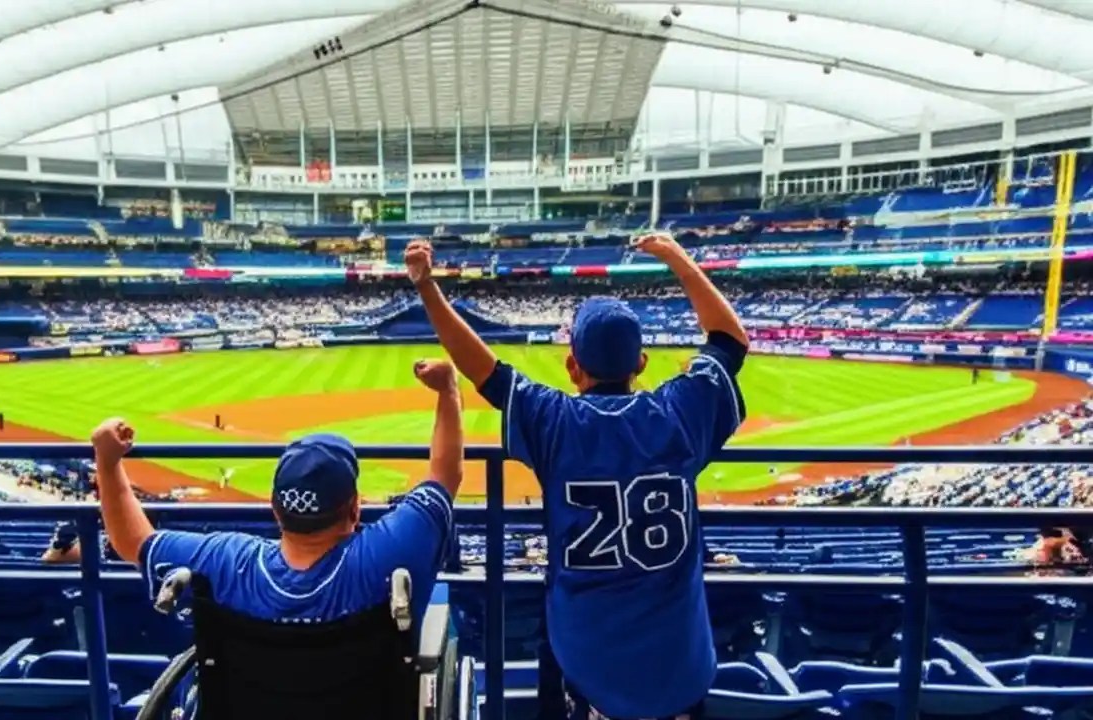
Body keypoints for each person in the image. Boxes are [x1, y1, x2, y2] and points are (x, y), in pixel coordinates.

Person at [404, 234, 749, 720]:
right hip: (680, 671)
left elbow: (485, 372)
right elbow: (731, 341)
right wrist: (674, 256)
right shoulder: (679, 414)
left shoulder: (557, 422)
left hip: (586, 671)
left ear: (572, 366)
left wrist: (426, 287)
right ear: (641, 364)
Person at [89, 359, 463, 630]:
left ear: (275, 509)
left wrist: (107, 463)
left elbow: (133, 542)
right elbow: (444, 476)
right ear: (354, 507)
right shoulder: (391, 550)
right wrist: (448, 391)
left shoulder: (226, 560)